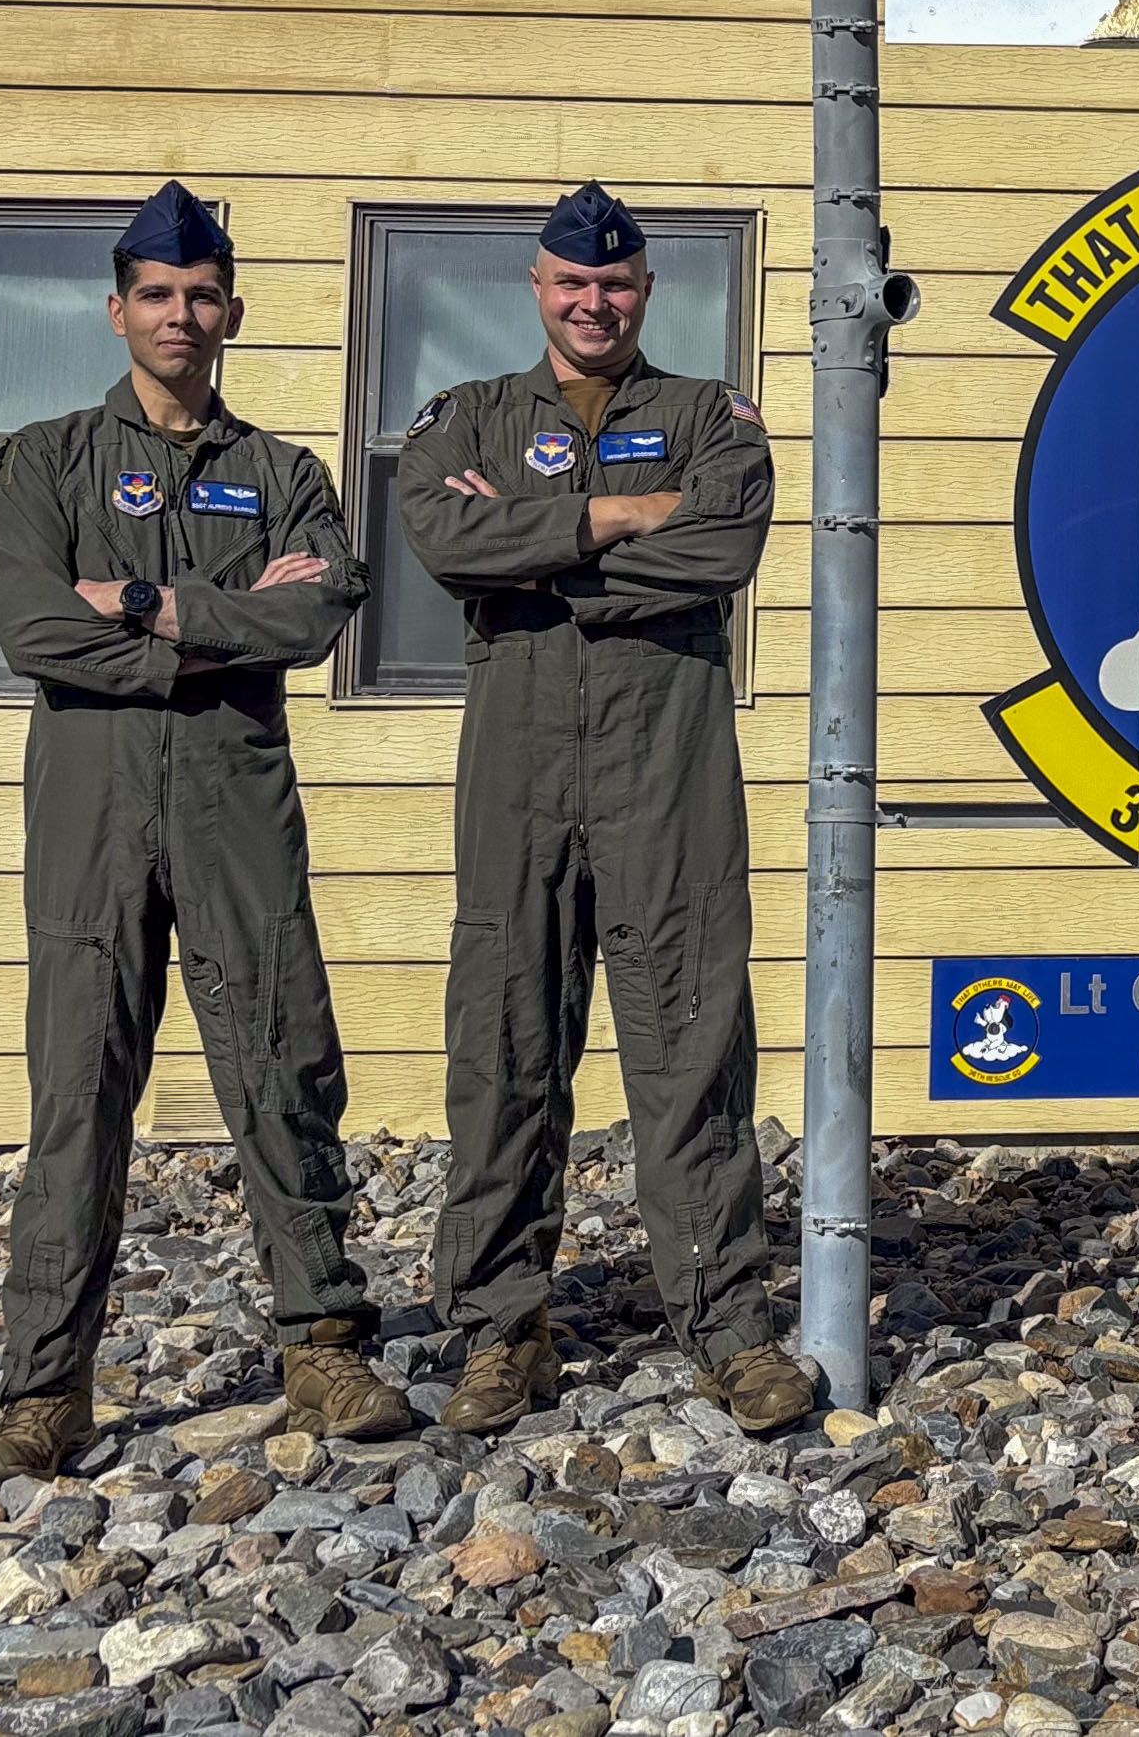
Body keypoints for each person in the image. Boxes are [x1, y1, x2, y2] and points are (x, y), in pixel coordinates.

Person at [0, 181, 412, 1487]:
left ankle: (325, 1342)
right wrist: (214, 624)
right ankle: (48, 1386)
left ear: (232, 311)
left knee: (283, 1066)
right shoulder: (44, 460)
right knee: (79, 1091)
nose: (180, 313)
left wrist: (148, 599)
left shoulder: (282, 474)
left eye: (202, 293)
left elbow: (317, 613)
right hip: (91, 814)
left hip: (234, 807)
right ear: (117, 312)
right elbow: (33, 629)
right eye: (156, 295)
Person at [399, 183, 809, 1435]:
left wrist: (532, 546)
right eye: (571, 284)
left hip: (665, 755)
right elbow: (438, 539)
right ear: (536, 288)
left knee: (689, 1034)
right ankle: (497, 1327)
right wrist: (617, 517)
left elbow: (723, 545)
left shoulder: (707, 416)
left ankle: (726, 1323)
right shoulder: (465, 415)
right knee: (507, 1034)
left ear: (646, 292)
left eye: (617, 284)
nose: (594, 302)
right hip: (517, 760)